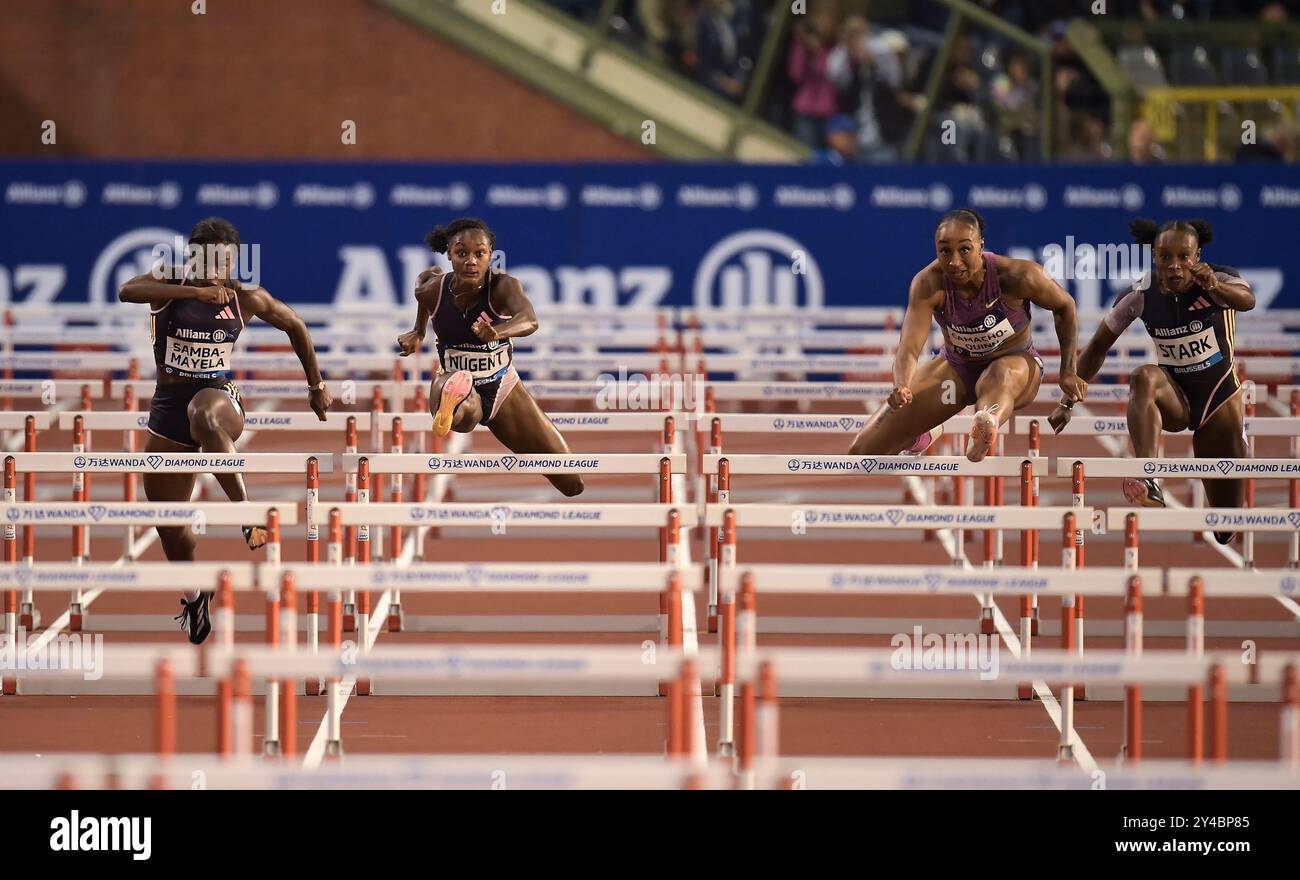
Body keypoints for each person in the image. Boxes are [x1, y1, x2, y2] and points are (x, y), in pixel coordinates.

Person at [118, 217, 331, 644]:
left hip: (219, 396)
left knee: (207, 415)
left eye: (224, 260)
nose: (215, 267)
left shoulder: (244, 297)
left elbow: (296, 326)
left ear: (234, 261)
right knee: (170, 526)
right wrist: (193, 292)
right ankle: (195, 596)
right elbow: (127, 291)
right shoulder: (167, 283)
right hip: (166, 410)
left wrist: (316, 385)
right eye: (204, 258)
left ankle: (247, 513)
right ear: (191, 257)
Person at [1049, 218, 1255, 543]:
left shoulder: (1220, 279)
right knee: (1142, 377)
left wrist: (1214, 286)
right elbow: (1097, 348)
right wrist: (1067, 401)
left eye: (1184, 257)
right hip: (1176, 397)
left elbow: (1247, 301)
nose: (1174, 267)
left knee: (1225, 528)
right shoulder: (1140, 294)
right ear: (1154, 257)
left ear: (1197, 255)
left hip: (1219, 399)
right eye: (1164, 257)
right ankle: (1148, 476)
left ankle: (1236, 445)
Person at [849, 208, 1085, 461]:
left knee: (998, 375)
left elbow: (1065, 306)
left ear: (980, 246)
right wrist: (902, 385)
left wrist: (1068, 371)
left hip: (1016, 364)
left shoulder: (1018, 276)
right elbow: (908, 348)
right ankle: (920, 435)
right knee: (863, 452)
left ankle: (985, 426)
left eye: (964, 250)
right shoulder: (928, 283)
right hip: (958, 368)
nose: (954, 262)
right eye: (944, 251)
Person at [397, 218, 584, 498]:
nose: (470, 261)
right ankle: (454, 399)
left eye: (479, 254)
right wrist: (418, 330)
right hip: (457, 381)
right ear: (449, 254)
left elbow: (529, 320)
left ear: (490, 255)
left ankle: (457, 397)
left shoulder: (503, 287)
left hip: (502, 387)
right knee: (463, 419)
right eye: (461, 254)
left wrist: (497, 331)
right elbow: (422, 290)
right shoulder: (432, 290)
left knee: (571, 482)